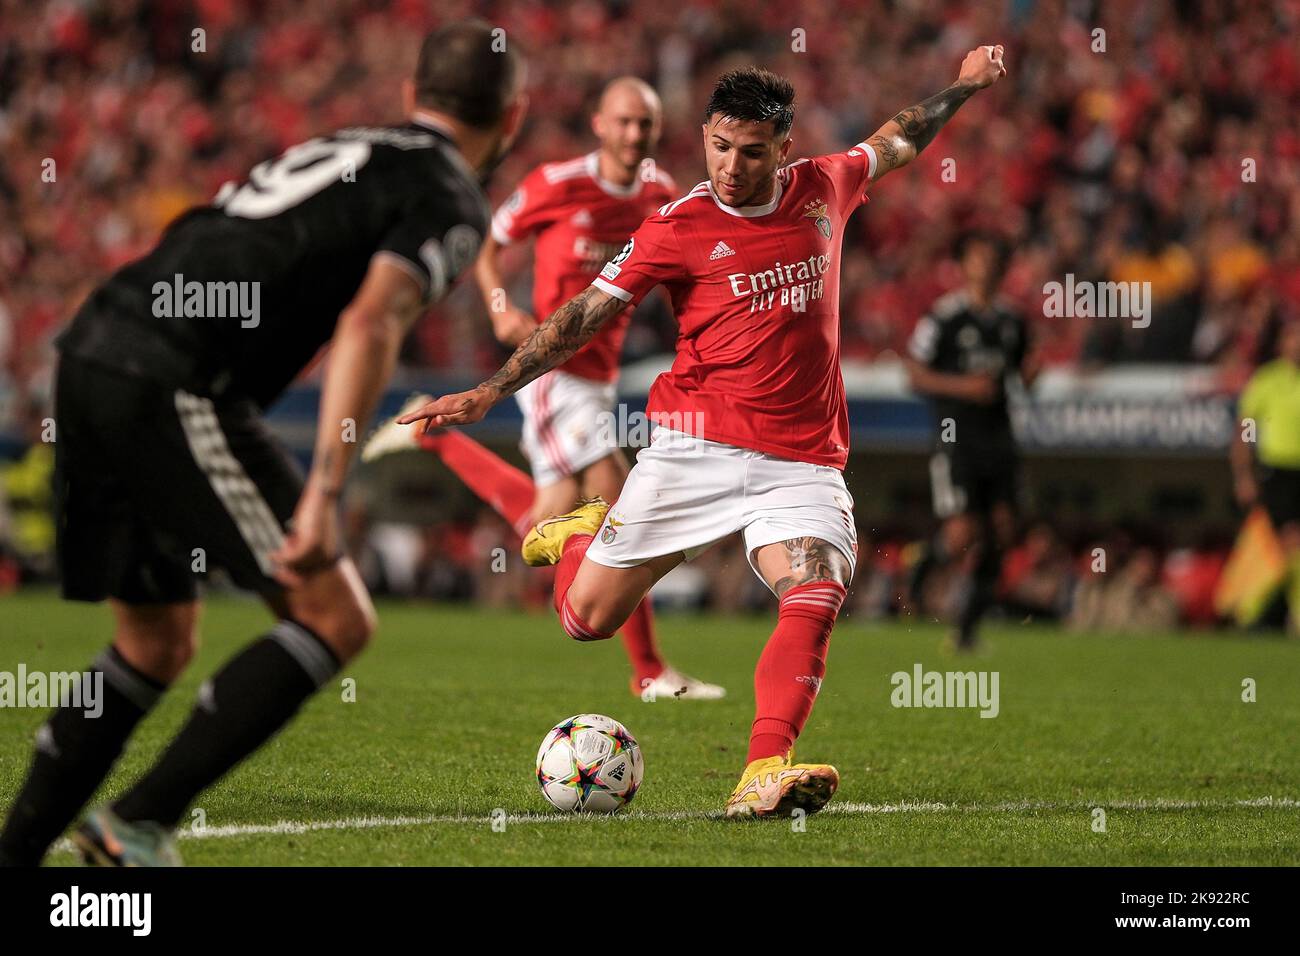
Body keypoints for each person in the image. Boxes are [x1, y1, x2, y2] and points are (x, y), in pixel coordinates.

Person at [398, 46, 1008, 818]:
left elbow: (903, 135)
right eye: (719, 147)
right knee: (584, 621)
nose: (731, 167)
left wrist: (965, 82)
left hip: (802, 459)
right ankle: (584, 534)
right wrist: (489, 390)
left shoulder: (827, 186)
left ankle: (762, 769)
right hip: (693, 449)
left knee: (817, 586)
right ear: (705, 137)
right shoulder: (676, 224)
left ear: (784, 149)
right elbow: (584, 314)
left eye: (753, 153)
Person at [0, 18, 525, 866]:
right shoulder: (449, 194)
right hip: (176, 376)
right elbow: (370, 320)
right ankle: (133, 828)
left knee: (153, 642)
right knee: (334, 613)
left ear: (408, 96)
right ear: (516, 116)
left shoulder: (347, 143)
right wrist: (323, 493)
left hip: (94, 346)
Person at [366, 77, 722, 700]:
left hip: (602, 376)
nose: (636, 134)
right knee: (616, 504)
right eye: (626, 121)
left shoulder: (661, 192)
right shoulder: (557, 185)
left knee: (551, 517)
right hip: (550, 369)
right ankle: (649, 672)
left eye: (648, 124)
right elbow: (487, 238)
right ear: (599, 124)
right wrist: (502, 306)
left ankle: (435, 439)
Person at [904, 233, 1040, 650]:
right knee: (963, 531)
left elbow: (1021, 376)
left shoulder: (1012, 321)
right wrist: (965, 387)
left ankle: (967, 629)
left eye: (994, 257)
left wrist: (1032, 376)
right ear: (964, 265)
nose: (987, 264)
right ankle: (917, 576)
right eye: (978, 256)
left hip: (1000, 438)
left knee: (1002, 530)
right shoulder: (945, 318)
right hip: (957, 438)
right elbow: (915, 374)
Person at [1231, 318, 1300, 633]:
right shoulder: (1268, 380)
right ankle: (1274, 613)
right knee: (1288, 541)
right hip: (1280, 471)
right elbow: (1245, 430)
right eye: (1292, 336)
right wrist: (1244, 475)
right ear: (1282, 343)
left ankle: (1255, 611)